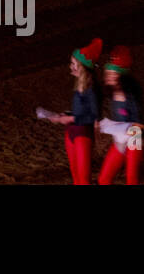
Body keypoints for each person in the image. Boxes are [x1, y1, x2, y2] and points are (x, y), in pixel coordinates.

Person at [40, 38, 103, 185]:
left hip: (83, 135)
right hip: (71, 133)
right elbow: (79, 111)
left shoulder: (92, 89)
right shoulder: (79, 84)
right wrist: (65, 115)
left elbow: (94, 116)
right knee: (75, 176)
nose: (70, 67)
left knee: (83, 179)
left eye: (74, 64)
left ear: (82, 67)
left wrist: (70, 119)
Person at [98, 46, 144, 185]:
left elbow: (139, 125)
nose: (108, 76)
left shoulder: (131, 95)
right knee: (103, 179)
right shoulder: (112, 93)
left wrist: (118, 128)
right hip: (119, 138)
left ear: (121, 76)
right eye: (107, 73)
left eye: (113, 73)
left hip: (134, 138)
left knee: (131, 178)